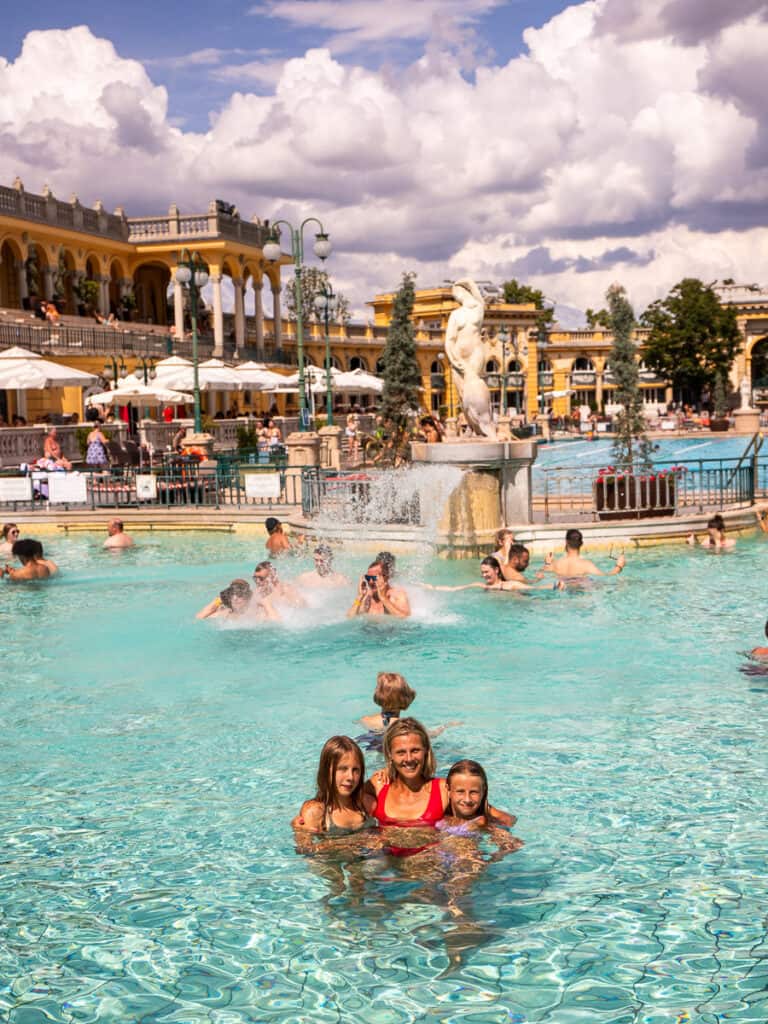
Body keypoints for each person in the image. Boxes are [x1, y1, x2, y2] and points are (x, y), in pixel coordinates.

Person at [366, 718, 449, 855]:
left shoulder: (443, 789)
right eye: (401, 752)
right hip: (385, 865)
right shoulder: (378, 785)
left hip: (428, 866)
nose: (409, 759)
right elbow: (341, 803)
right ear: (390, 754)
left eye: (415, 750)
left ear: (426, 750)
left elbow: (482, 811)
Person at [292, 736, 378, 837]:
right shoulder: (315, 812)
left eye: (355, 770)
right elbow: (306, 850)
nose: (350, 777)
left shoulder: (367, 804)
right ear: (326, 771)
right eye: (342, 769)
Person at [357, 672, 459, 751]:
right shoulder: (404, 726)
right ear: (407, 699)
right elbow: (432, 735)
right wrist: (446, 726)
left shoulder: (365, 719)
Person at [424, 555, 546, 593]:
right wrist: (432, 587)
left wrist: (555, 586)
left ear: (496, 570)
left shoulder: (510, 585)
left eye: (487, 572)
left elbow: (535, 589)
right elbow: (454, 589)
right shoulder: (482, 586)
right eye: (482, 572)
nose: (484, 575)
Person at [545, 528, 625, 579]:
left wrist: (547, 563)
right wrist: (619, 566)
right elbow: (606, 577)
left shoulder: (556, 564)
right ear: (581, 544)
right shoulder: (586, 565)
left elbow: (542, 574)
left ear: (566, 542)